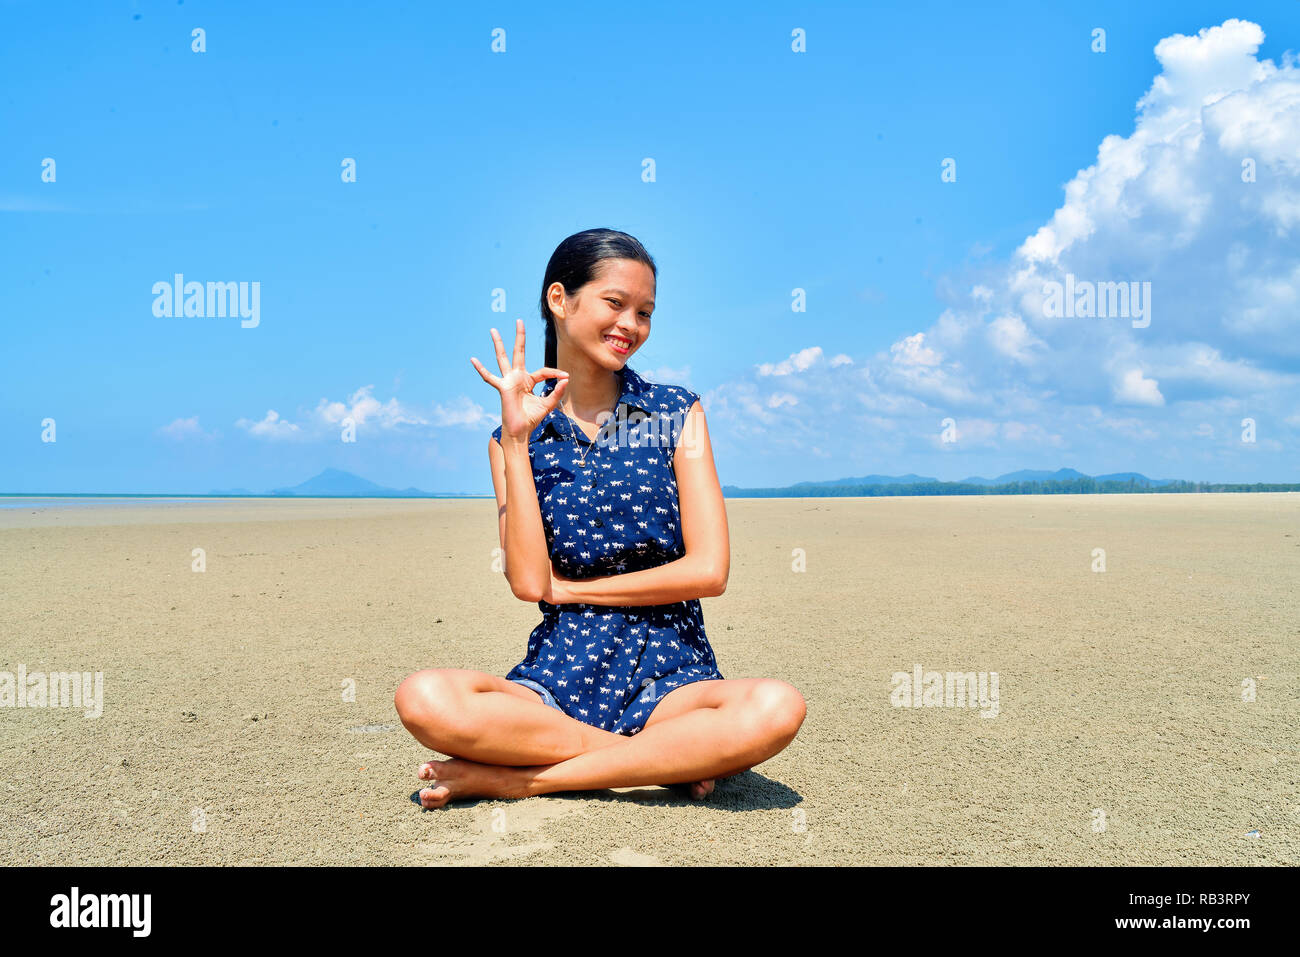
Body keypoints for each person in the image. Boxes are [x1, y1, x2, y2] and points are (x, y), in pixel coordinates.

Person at [394, 228, 806, 808]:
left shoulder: (675, 412)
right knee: (425, 697)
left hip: (672, 668)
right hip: (562, 667)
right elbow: (531, 584)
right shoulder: (512, 440)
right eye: (615, 303)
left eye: (645, 312)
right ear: (559, 300)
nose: (631, 325)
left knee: (777, 707)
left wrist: (578, 590)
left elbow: (710, 571)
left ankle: (522, 779)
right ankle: (659, 758)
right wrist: (516, 441)